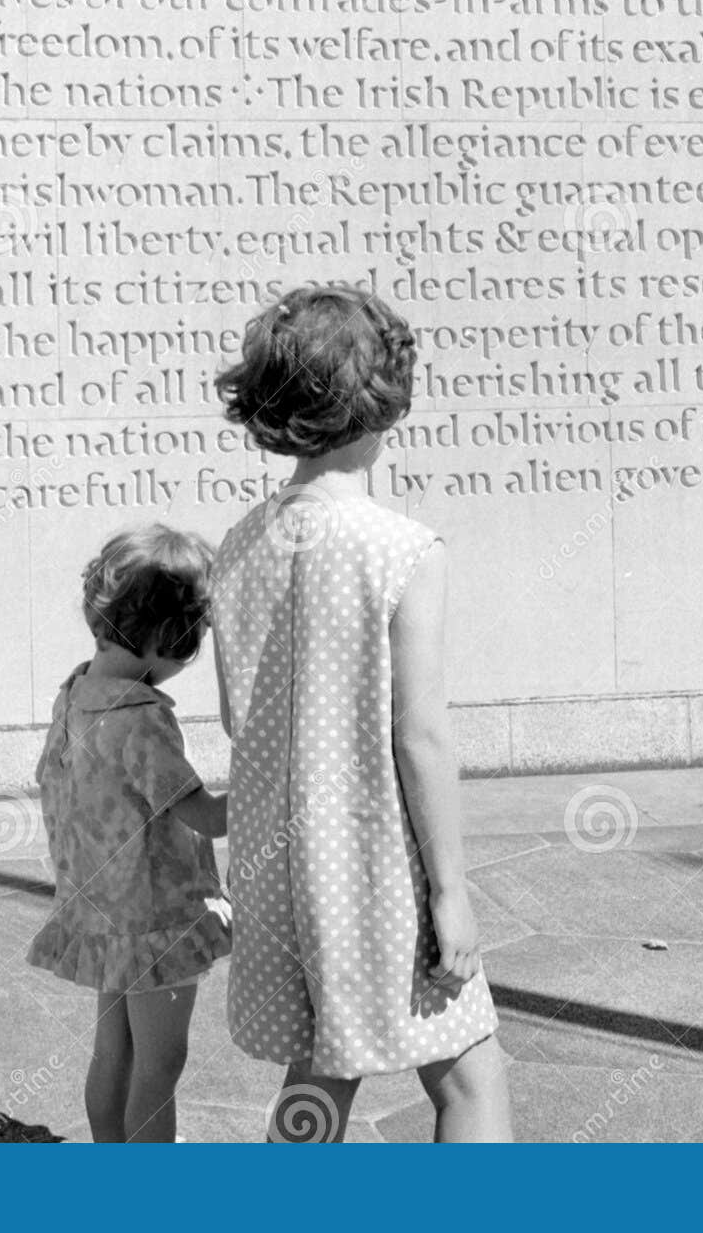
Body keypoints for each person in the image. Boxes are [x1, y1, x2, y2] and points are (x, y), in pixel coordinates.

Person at [210, 282, 512, 1143]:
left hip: (278, 864)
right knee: (469, 1079)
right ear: (387, 401)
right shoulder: (402, 548)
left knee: (319, 1075)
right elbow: (420, 737)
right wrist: (451, 891)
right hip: (380, 867)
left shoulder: (239, 542)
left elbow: (242, 720)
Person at [28, 525, 231, 1142]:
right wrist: (273, 784)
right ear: (173, 637)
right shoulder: (141, 719)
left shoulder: (77, 693)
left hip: (101, 911)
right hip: (155, 921)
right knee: (160, 1064)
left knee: (111, 1051)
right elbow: (202, 815)